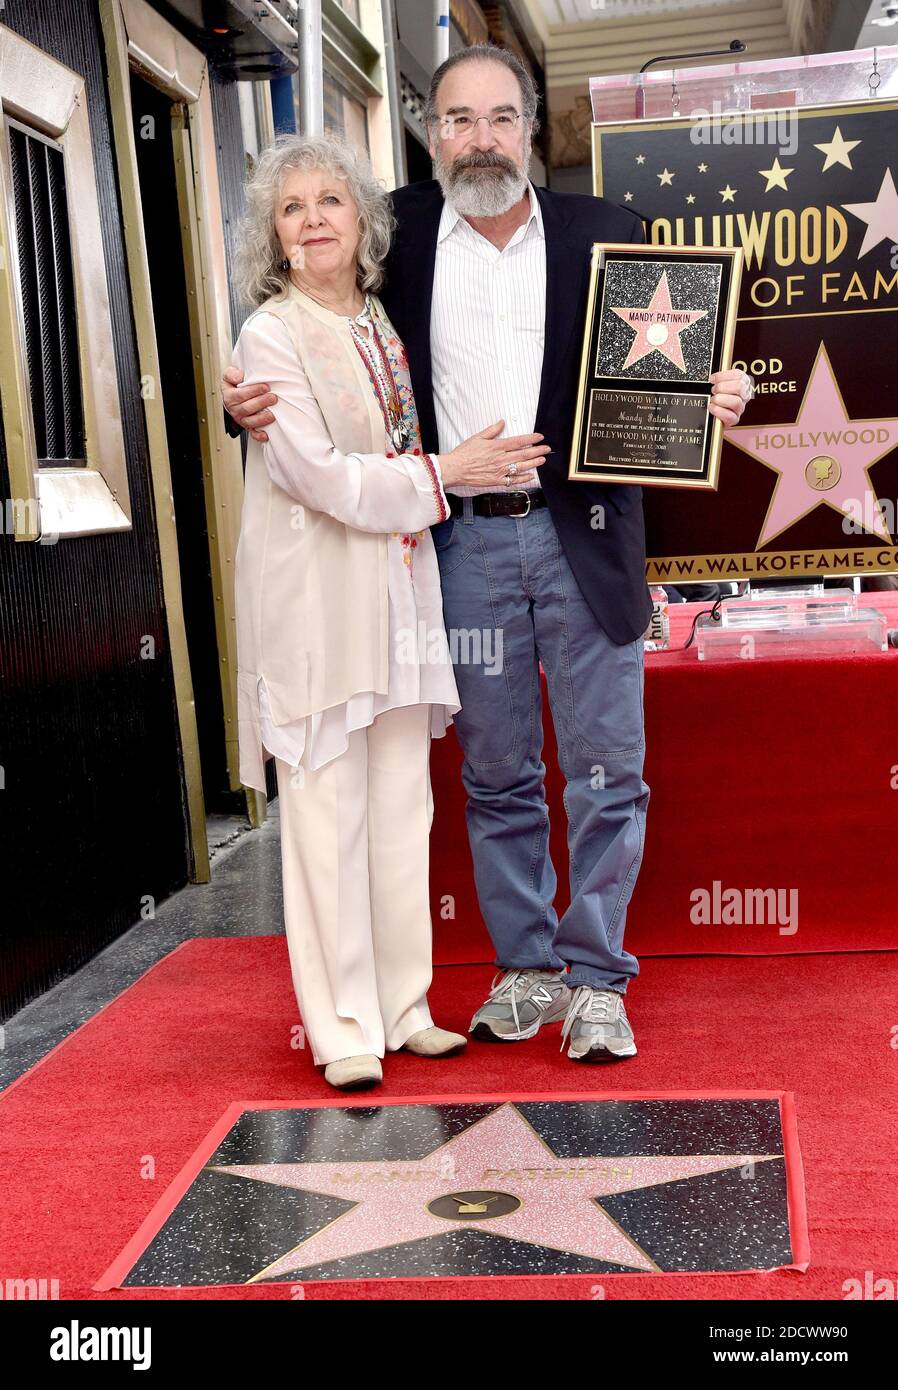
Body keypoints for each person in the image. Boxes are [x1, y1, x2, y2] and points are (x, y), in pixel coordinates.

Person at [224, 47, 753, 1066]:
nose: (479, 139)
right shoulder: (398, 235)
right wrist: (235, 395)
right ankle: (524, 970)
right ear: (432, 134)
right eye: (457, 119)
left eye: (499, 118)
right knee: (496, 771)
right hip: (454, 547)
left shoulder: (610, 234)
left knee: (608, 771)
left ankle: (597, 978)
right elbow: (305, 329)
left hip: (584, 539)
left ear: (531, 129)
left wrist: (712, 392)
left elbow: (672, 371)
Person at [230, 131, 549, 1091]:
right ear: (275, 236)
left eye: (331, 201)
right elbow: (319, 478)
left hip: (401, 597)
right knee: (327, 808)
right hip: (316, 599)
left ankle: (406, 1004)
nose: (315, 219)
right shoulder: (269, 336)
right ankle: (340, 1027)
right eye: (294, 208)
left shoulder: (376, 321)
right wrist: (446, 474)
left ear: (363, 220)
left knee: (402, 806)